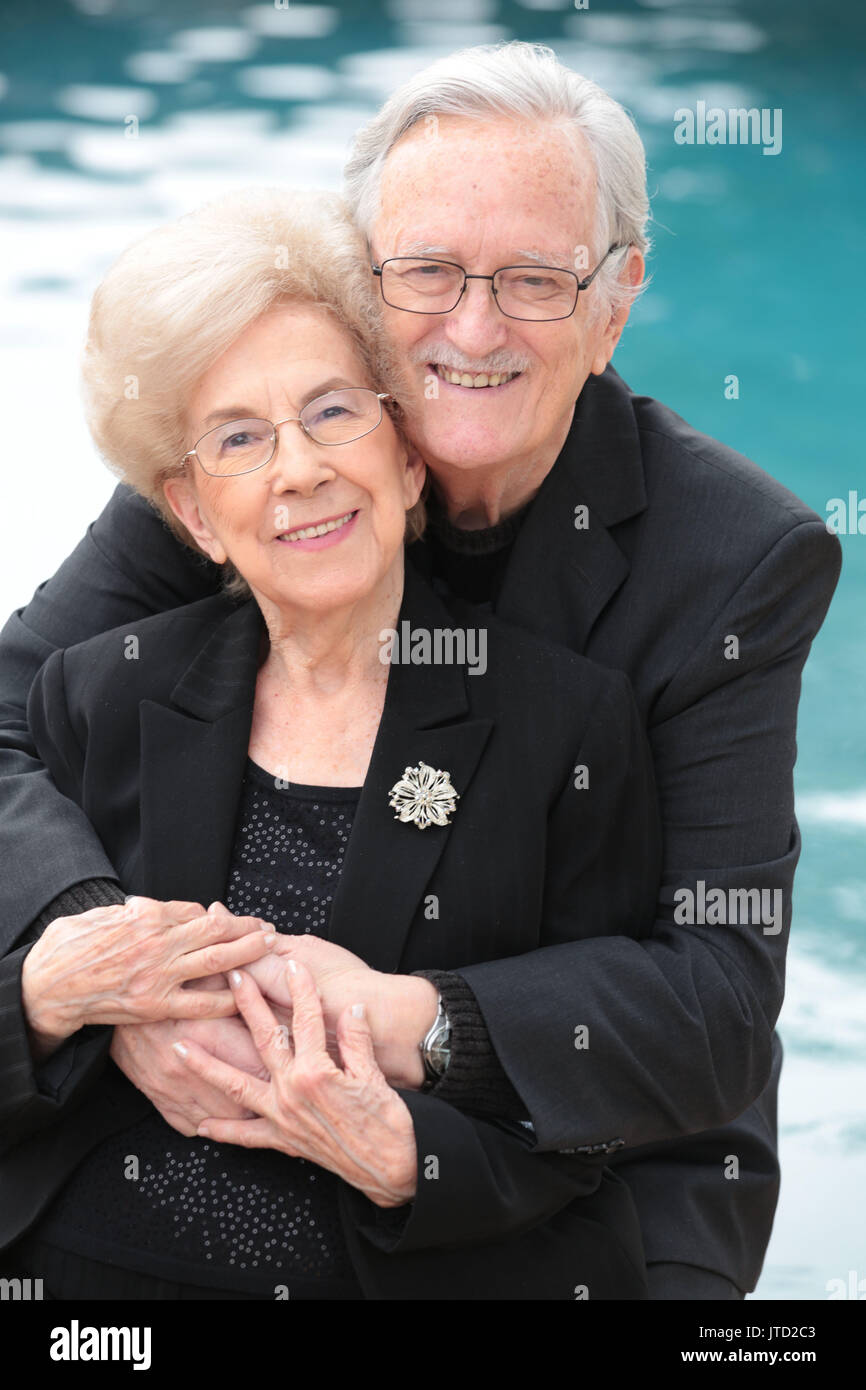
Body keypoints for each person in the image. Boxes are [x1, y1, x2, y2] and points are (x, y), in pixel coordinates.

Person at [0, 43, 842, 1299]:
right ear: (366, 278)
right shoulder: (269, 446)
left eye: (533, 279)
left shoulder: (732, 558)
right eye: (430, 272)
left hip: (594, 1141)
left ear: (615, 300)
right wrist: (110, 967)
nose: (472, 326)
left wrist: (402, 1019)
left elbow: (714, 995)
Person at [0, 189, 660, 1300]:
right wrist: (48, 1001)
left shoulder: (566, 727)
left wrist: (410, 1158)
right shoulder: (99, 695)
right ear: (197, 514)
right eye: (239, 439)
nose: (297, 468)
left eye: (331, 414)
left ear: (408, 461)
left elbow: (596, 1118)